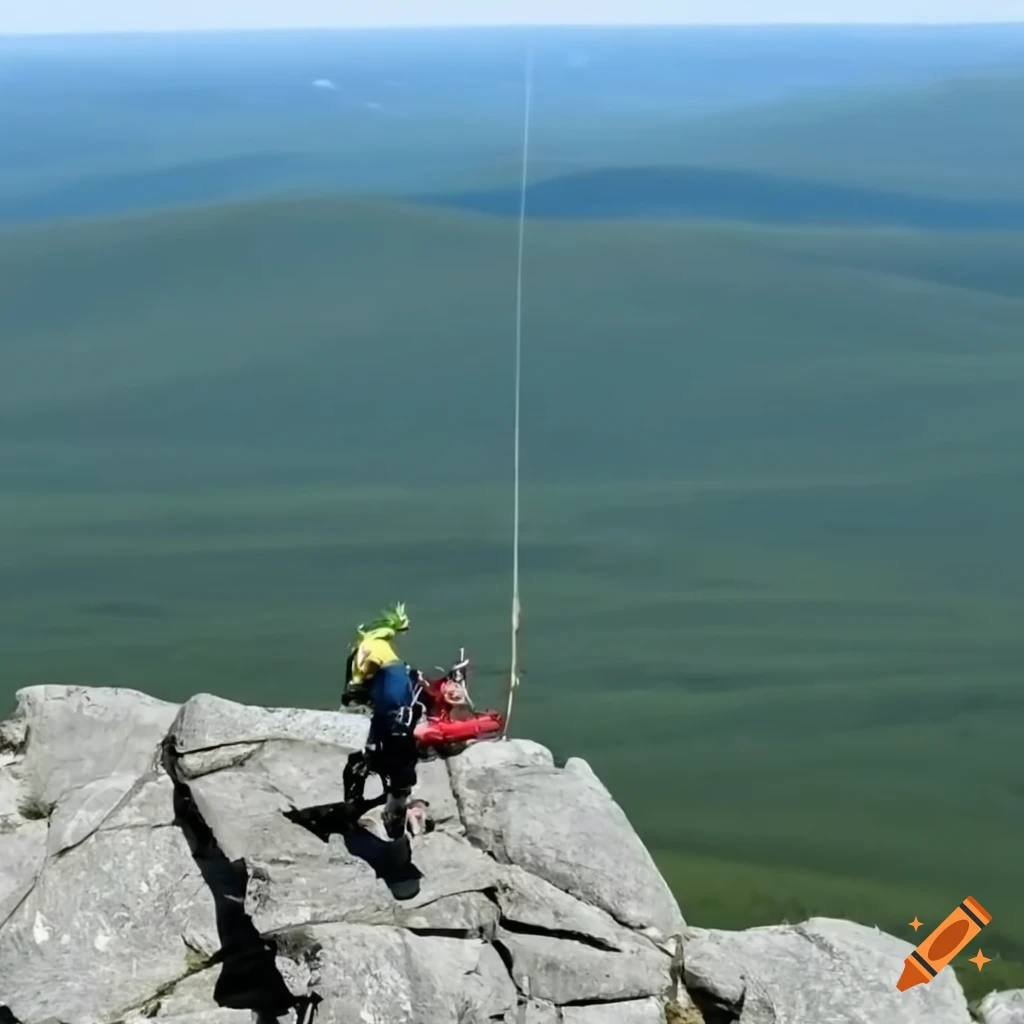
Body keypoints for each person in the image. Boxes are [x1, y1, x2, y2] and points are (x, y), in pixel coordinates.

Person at [341, 603, 422, 839]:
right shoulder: (391, 656)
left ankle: (354, 803)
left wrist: (355, 689)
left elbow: (356, 681)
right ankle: (396, 806)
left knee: (365, 756)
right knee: (398, 763)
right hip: (400, 711)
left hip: (387, 708)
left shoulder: (368, 648)